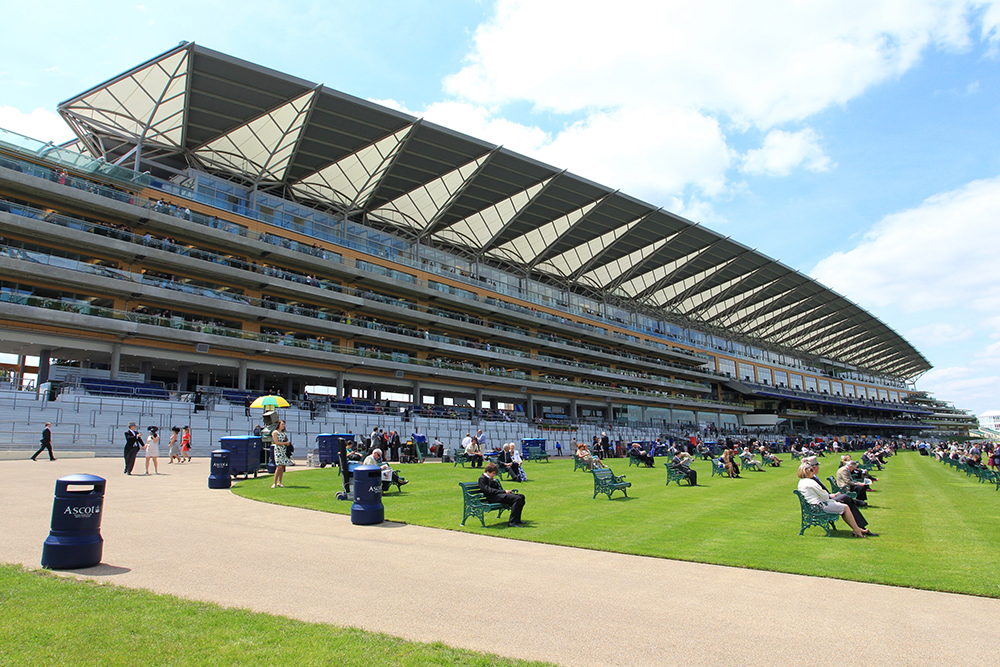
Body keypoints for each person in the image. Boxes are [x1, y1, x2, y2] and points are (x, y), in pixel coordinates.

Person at [798, 457, 876, 537]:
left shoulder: (803, 481)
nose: (818, 468)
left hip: (815, 505)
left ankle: (858, 527)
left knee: (846, 500)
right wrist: (831, 495)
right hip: (819, 505)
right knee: (846, 502)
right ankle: (857, 527)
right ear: (812, 469)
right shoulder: (811, 481)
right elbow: (825, 496)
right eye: (817, 467)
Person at [478, 463, 525, 527]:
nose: (494, 475)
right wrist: (504, 491)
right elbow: (488, 490)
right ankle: (512, 522)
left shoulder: (490, 478)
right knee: (517, 499)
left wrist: (505, 491)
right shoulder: (482, 479)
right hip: (492, 498)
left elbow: (496, 489)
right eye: (493, 473)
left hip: (497, 495)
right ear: (487, 472)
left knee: (521, 496)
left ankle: (517, 519)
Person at [271, 419, 290, 488]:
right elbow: (277, 442)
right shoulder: (275, 432)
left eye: (284, 424)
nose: (283, 426)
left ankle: (280, 482)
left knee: (282, 466)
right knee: (278, 466)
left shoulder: (284, 433)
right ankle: (274, 482)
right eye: (282, 424)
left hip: (283, 450)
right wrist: (285, 443)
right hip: (278, 450)